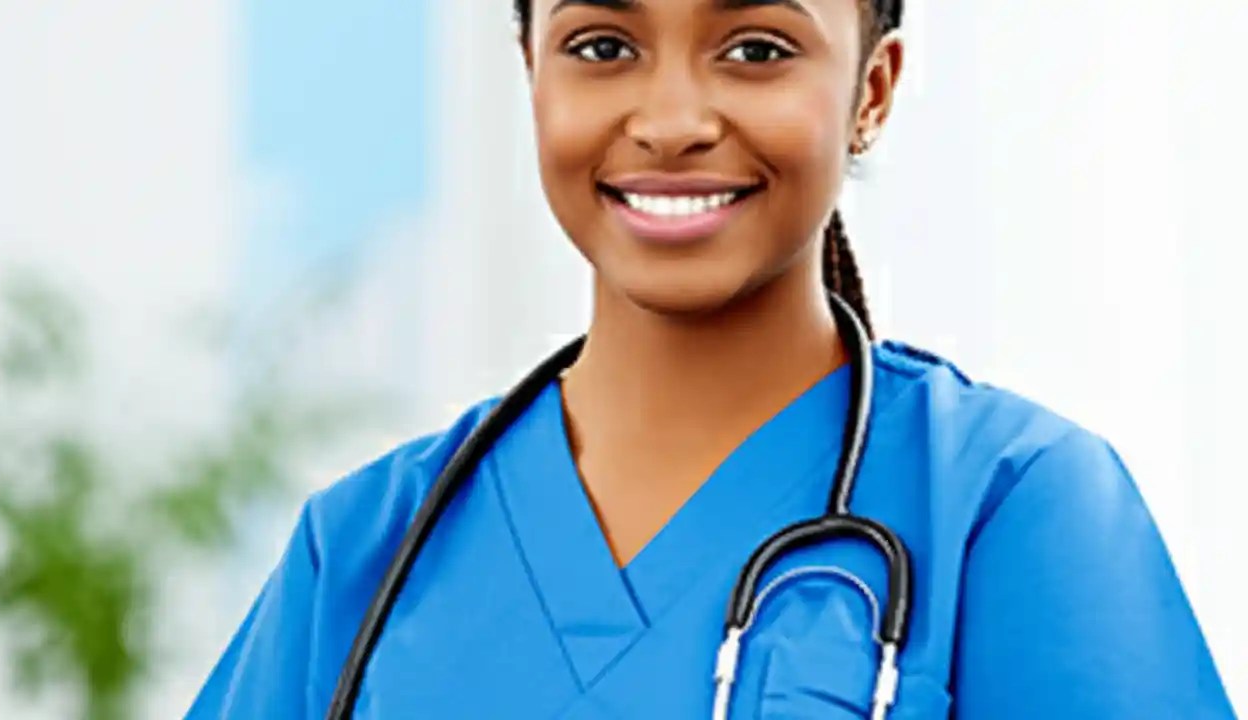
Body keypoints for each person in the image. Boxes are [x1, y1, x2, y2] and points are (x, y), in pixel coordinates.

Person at [187, 0, 1236, 717]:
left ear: (871, 89)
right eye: (601, 45)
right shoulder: (366, 551)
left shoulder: (1008, 507)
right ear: (529, 73)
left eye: (755, 48)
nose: (672, 122)